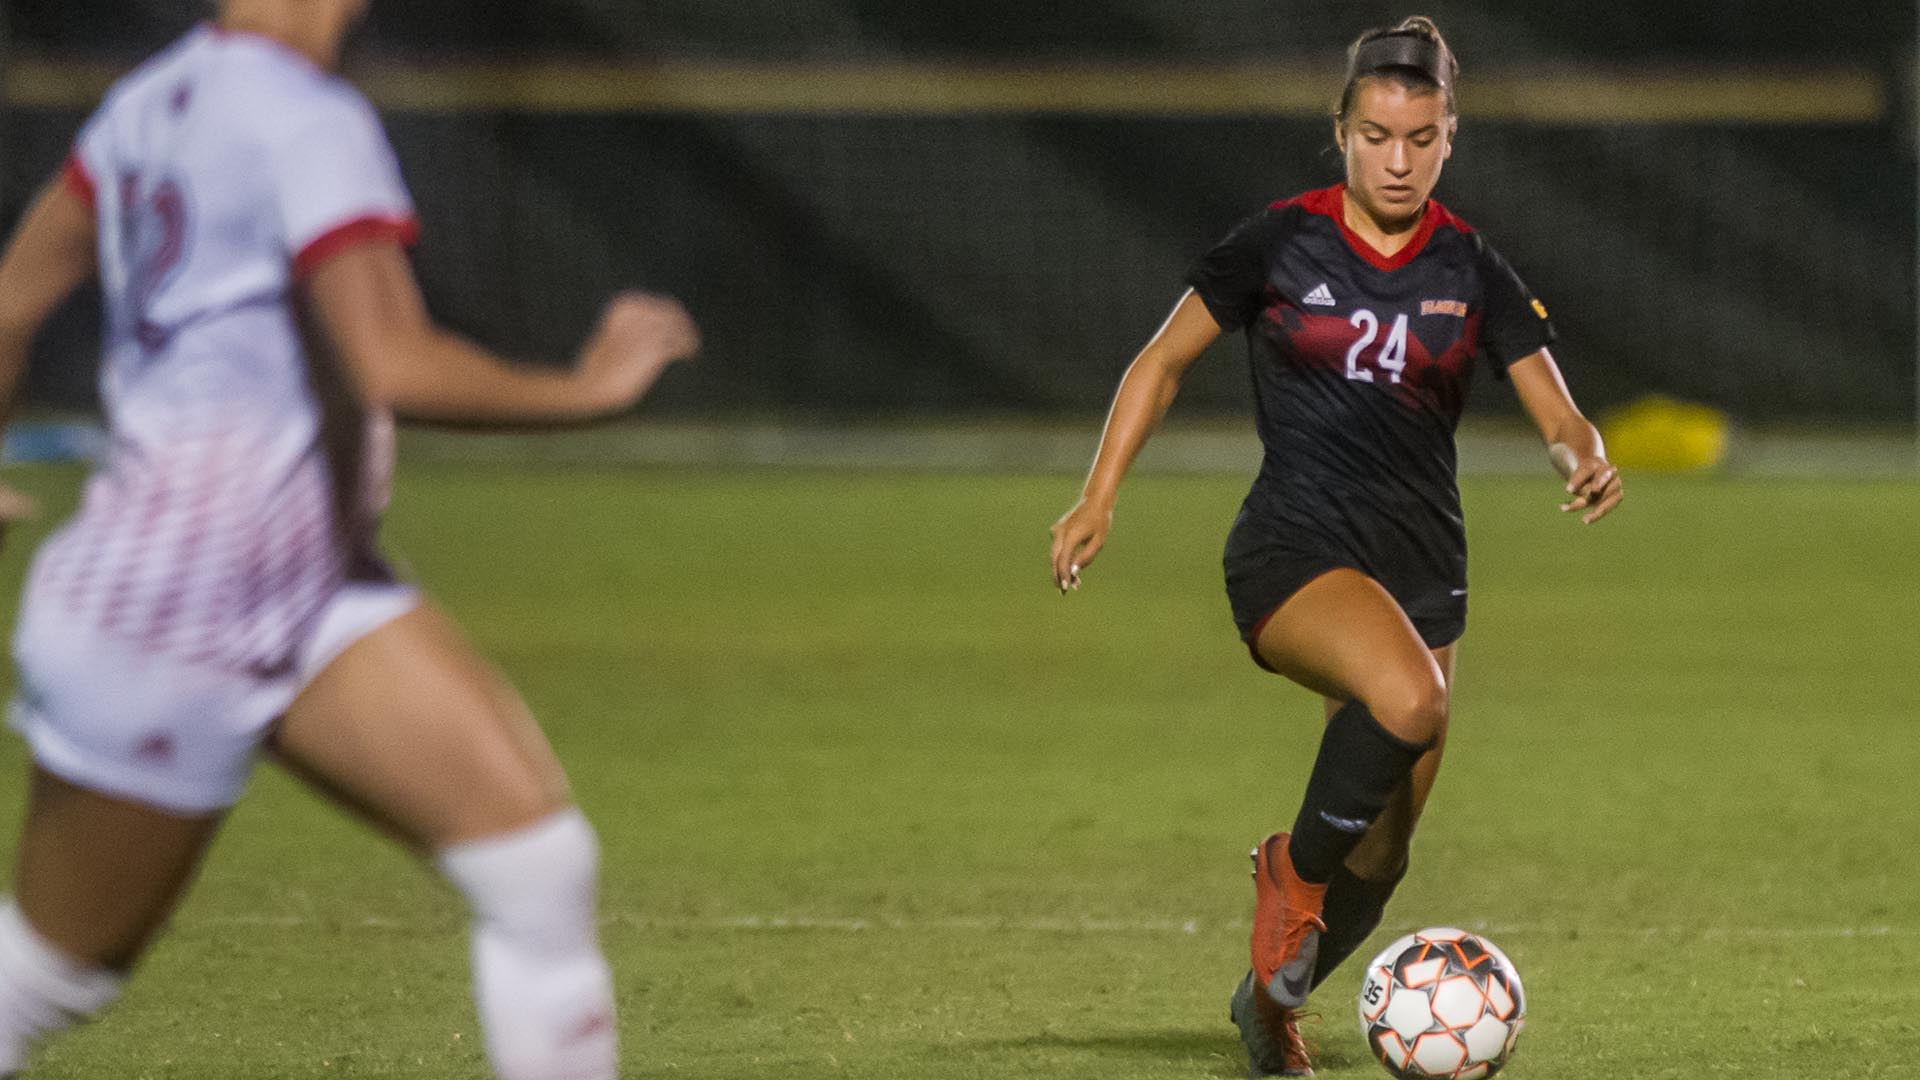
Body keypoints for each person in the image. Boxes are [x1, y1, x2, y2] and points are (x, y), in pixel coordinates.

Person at [0, 1, 700, 1076]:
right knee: (50, 974)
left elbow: (13, 299)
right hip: (173, 601)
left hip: (306, 584)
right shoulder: (305, 116)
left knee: (535, 862)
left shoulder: (152, 100)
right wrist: (584, 390)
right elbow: (394, 363)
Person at [1048, 16, 1620, 1077]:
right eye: (1374, 136)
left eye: (1419, 137)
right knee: (1411, 704)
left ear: (1451, 137)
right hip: (1292, 550)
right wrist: (1099, 496)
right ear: (1341, 133)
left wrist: (1581, 456)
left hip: (1422, 569)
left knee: (1386, 848)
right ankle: (1285, 877)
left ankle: (1270, 1004)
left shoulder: (1471, 267)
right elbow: (1160, 362)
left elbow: (1557, 409)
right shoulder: (1280, 240)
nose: (1395, 160)